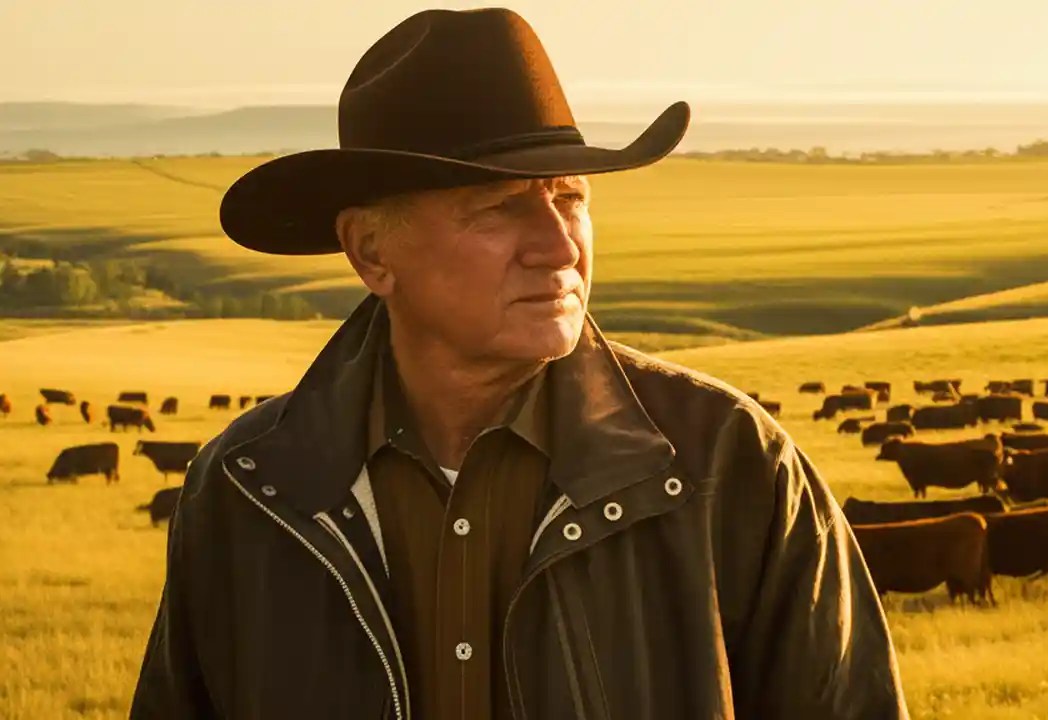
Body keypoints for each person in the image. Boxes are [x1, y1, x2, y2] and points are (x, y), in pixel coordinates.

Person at [129, 7, 908, 719]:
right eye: (500, 207)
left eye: (569, 198)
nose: (559, 246)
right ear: (371, 250)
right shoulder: (247, 488)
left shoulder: (729, 463)